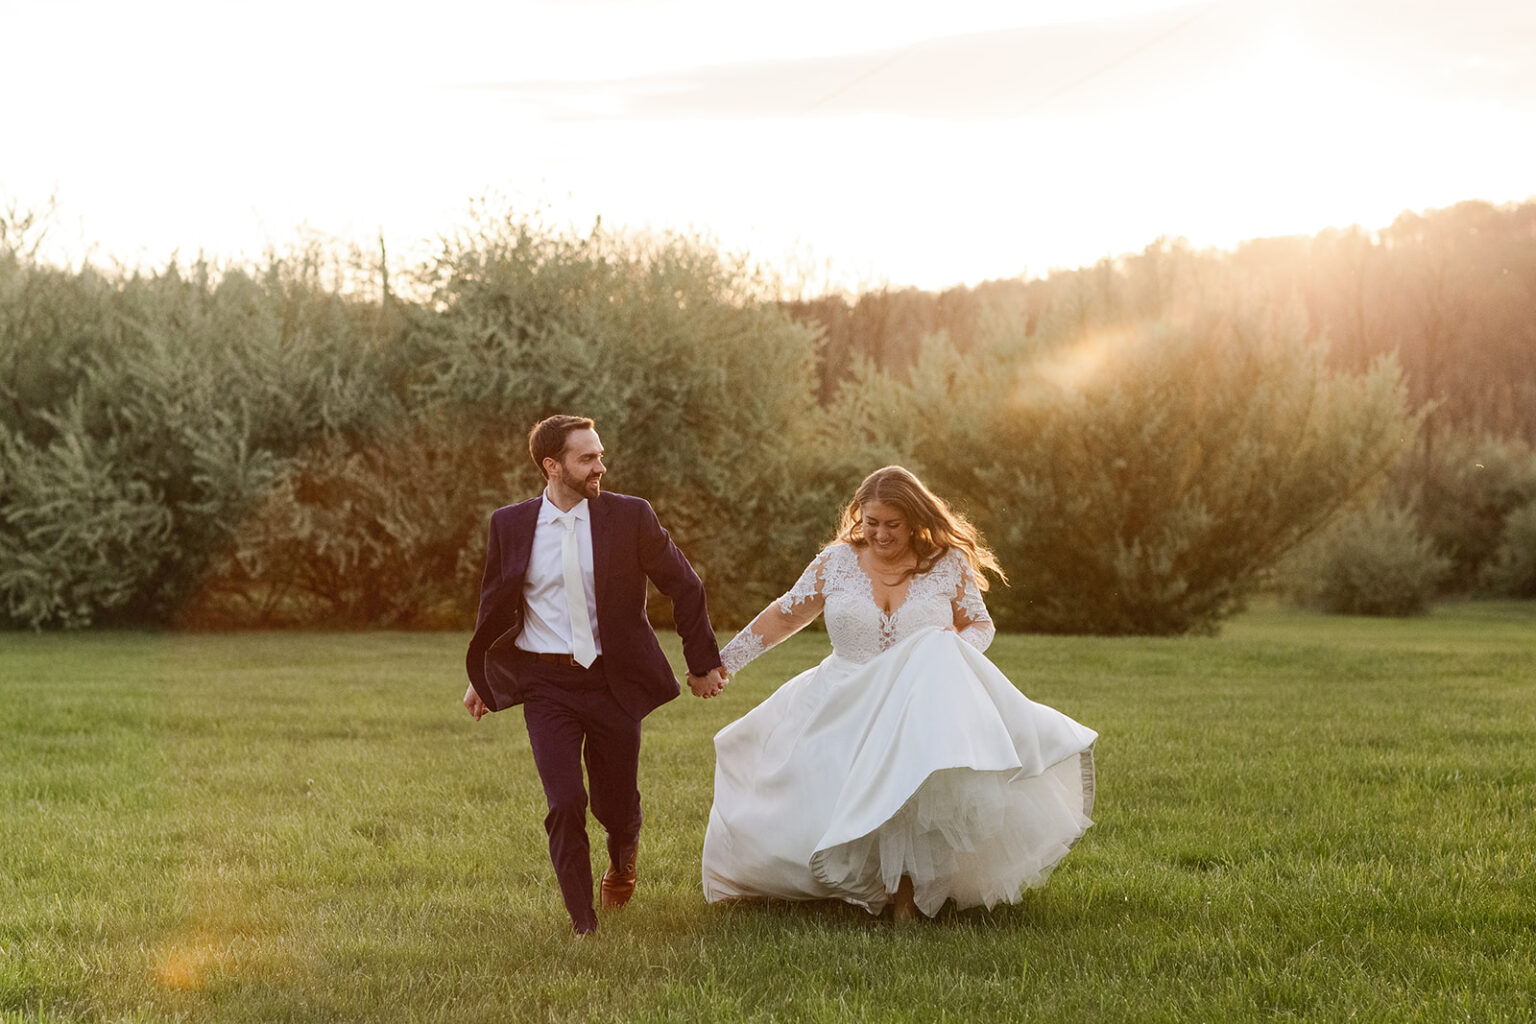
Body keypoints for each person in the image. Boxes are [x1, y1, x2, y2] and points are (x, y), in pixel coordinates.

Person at [701, 466, 1097, 920]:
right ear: (859, 517)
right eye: (871, 523)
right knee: (788, 780)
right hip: (844, 693)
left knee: (912, 785)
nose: (881, 535)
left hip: (917, 698)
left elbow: (979, 625)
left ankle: (906, 898)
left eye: (893, 525)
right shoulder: (835, 563)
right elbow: (784, 616)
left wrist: (949, 655)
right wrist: (722, 662)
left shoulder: (946, 563)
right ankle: (844, 880)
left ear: (915, 521)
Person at [464, 414, 729, 936]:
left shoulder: (629, 517)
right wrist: (483, 674)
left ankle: (624, 852)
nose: (599, 467)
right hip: (546, 685)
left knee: (614, 804)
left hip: (612, 681)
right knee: (565, 802)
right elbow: (495, 606)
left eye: (600, 455)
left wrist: (701, 664)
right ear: (551, 465)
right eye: (587, 458)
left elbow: (685, 584)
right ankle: (583, 924)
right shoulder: (510, 525)